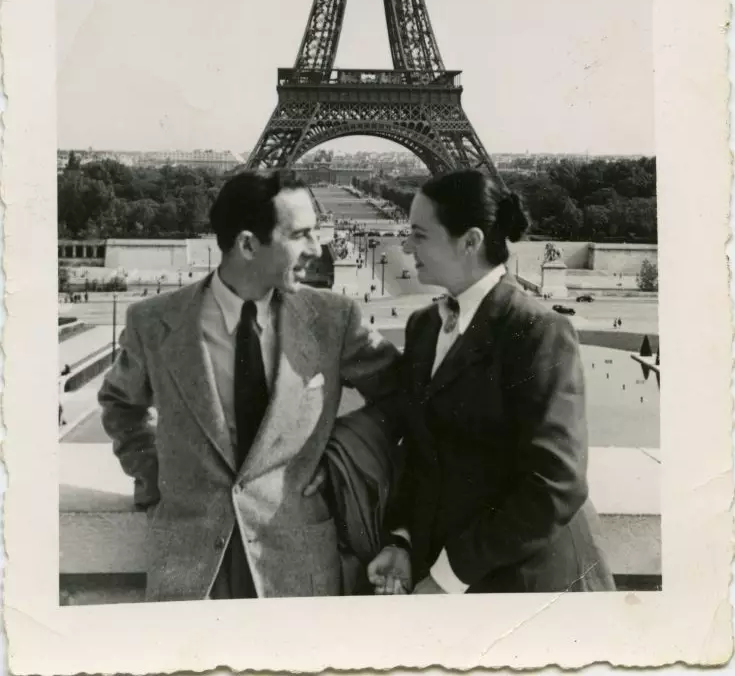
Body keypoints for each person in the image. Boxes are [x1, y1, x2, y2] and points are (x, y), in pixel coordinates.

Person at [99, 170, 402, 602]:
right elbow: (120, 406)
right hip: (191, 565)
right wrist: (155, 480)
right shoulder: (152, 321)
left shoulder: (336, 320)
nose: (317, 248)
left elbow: (403, 395)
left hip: (296, 559)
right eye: (301, 235)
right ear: (246, 244)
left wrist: (338, 458)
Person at [368, 169, 614, 595]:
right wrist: (401, 540)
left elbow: (556, 484)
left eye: (420, 235)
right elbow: (419, 453)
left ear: (470, 242)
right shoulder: (423, 327)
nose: (407, 246)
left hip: (523, 588)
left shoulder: (538, 331)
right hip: (448, 574)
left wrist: (449, 577)